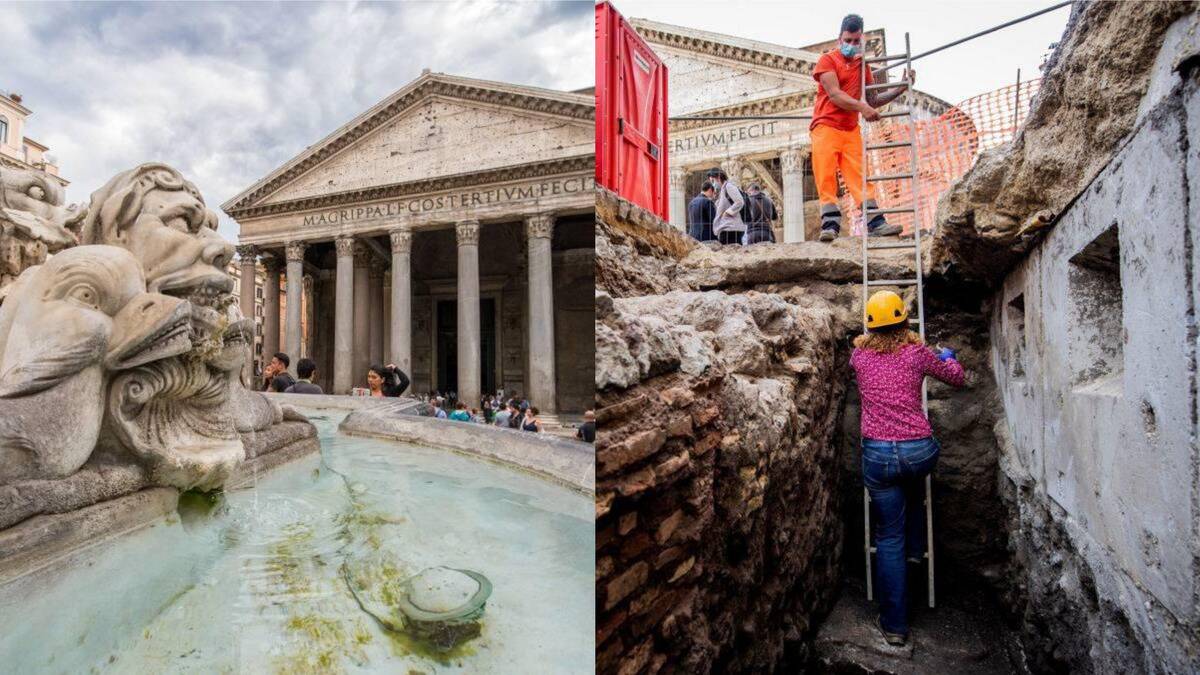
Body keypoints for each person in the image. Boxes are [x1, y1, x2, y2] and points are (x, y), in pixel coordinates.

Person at [851, 290, 965, 646]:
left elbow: (866, 353)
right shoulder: (916, 353)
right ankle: (916, 555)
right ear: (903, 320)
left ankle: (895, 626)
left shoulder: (859, 357)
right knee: (912, 486)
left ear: (870, 324)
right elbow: (956, 378)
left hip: (879, 457)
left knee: (888, 536)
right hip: (919, 453)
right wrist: (950, 357)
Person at [811, 14, 912, 242]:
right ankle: (830, 226)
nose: (852, 45)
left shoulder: (862, 66)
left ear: (861, 40)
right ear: (839, 39)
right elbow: (835, 94)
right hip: (825, 126)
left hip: (850, 129)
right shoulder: (827, 61)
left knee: (860, 178)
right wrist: (862, 107)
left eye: (857, 41)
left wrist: (900, 89)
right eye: (848, 40)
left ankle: (876, 223)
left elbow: (873, 99)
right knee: (826, 176)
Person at [706, 168, 745, 246]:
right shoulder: (722, 190)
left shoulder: (729, 186)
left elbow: (740, 201)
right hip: (726, 228)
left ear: (719, 177)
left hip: (731, 228)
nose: (713, 184)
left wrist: (727, 212)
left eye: (713, 181)